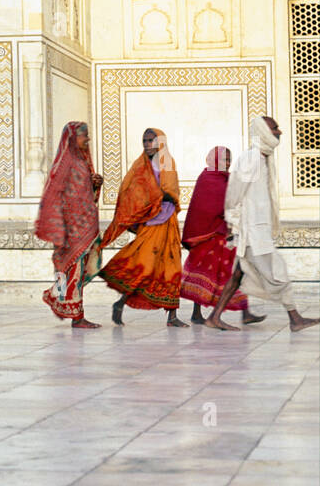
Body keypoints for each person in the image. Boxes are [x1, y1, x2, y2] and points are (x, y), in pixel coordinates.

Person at [206, 116, 319, 333]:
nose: (279, 132)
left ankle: (214, 316)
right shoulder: (251, 159)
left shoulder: (263, 157)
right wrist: (233, 224)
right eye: (274, 128)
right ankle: (294, 318)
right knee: (278, 272)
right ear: (263, 131)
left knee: (238, 274)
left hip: (258, 230)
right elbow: (234, 193)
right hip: (252, 232)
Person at [101, 127, 187, 327]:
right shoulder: (139, 165)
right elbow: (129, 191)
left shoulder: (167, 161)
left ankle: (172, 316)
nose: (147, 144)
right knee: (145, 265)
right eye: (145, 141)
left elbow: (170, 191)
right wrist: (138, 210)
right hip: (150, 222)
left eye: (151, 140)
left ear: (160, 142)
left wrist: (154, 196)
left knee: (172, 267)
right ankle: (121, 302)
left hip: (166, 220)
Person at [180, 145, 264, 326]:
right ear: (213, 160)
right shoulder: (207, 178)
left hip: (223, 234)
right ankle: (198, 313)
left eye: (228, 159)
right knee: (208, 273)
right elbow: (207, 207)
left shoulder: (227, 179)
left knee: (234, 272)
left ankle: (244, 312)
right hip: (208, 235)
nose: (226, 163)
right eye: (223, 159)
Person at [35, 121, 103, 329]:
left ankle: (62, 302)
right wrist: (58, 228)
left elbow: (86, 197)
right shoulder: (64, 164)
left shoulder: (83, 162)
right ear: (73, 138)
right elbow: (53, 197)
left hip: (83, 227)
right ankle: (74, 314)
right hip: (68, 230)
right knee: (70, 272)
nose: (87, 139)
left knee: (79, 272)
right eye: (83, 135)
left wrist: (95, 185)